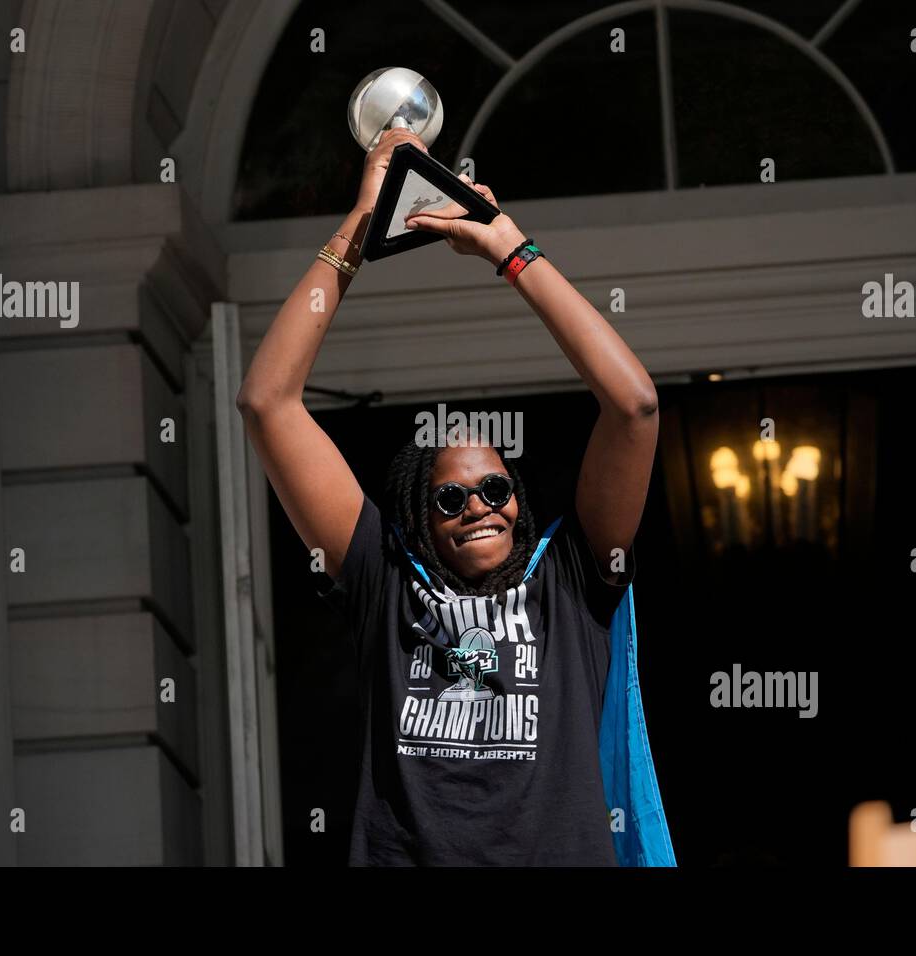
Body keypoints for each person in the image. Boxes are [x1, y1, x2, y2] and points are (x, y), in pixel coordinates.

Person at [236, 128, 660, 865]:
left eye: (495, 489)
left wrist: (511, 249)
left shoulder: (571, 581)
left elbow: (635, 409)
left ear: (520, 504)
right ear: (417, 524)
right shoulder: (384, 580)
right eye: (449, 500)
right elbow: (267, 403)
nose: (477, 506)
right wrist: (362, 225)